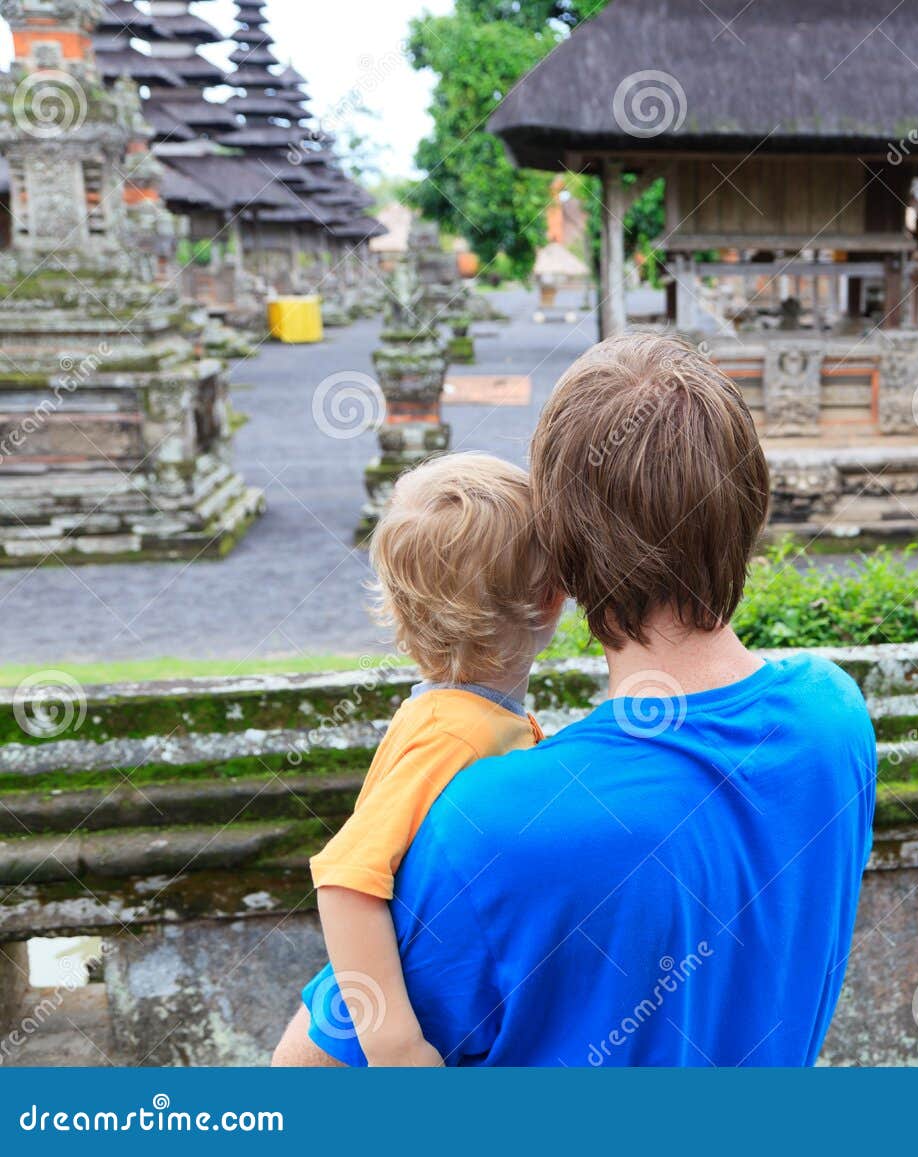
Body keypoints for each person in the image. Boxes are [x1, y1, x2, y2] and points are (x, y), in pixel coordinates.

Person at [274, 332, 876, 1067]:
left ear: (559, 557)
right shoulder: (833, 719)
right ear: (752, 506)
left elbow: (305, 1070)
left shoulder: (493, 824)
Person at [297, 452, 561, 1066]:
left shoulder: (463, 715)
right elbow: (345, 876)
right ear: (552, 599)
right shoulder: (456, 732)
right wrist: (397, 1047)